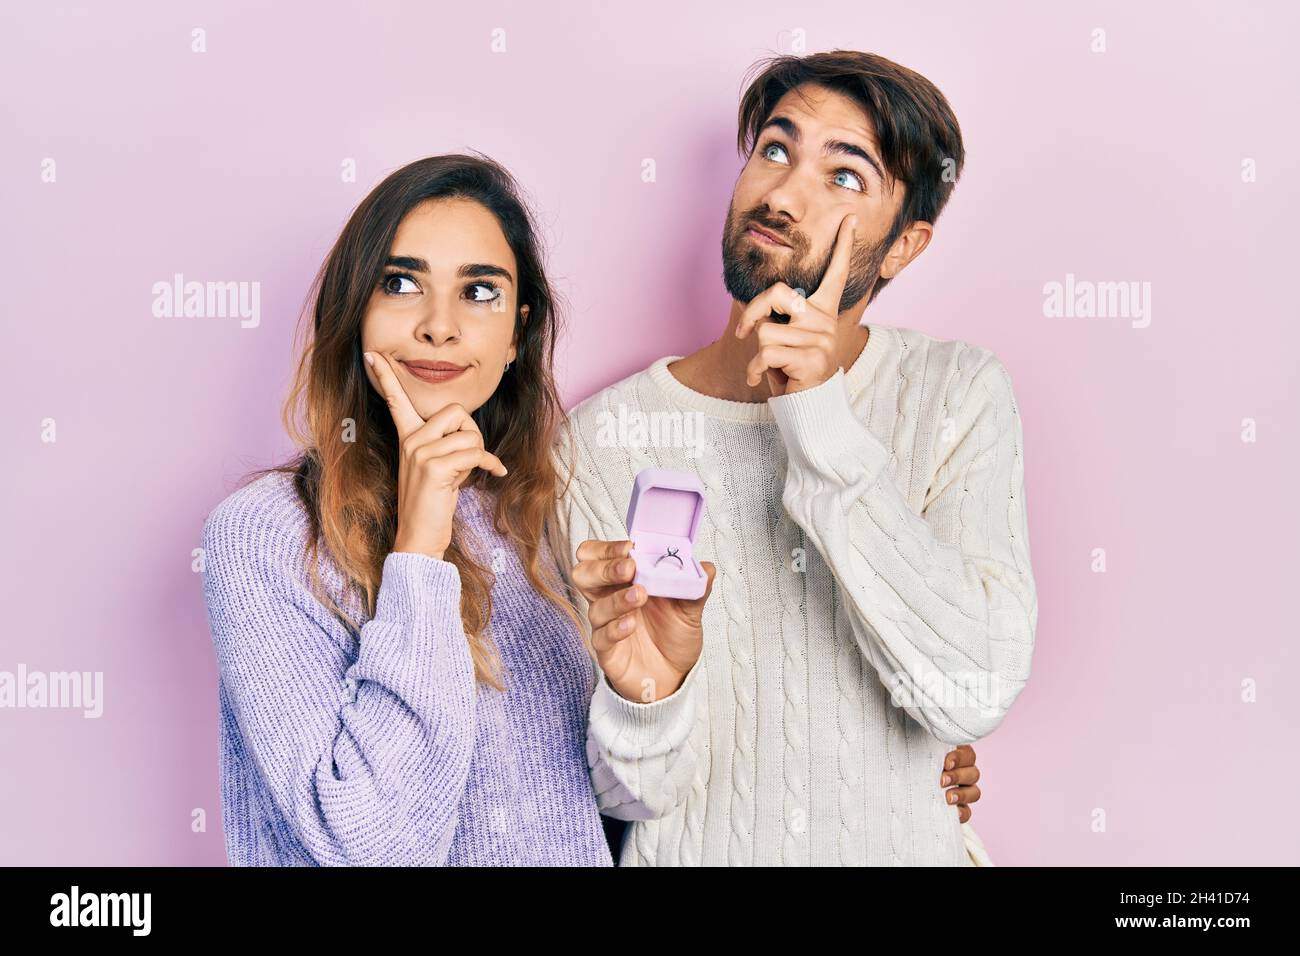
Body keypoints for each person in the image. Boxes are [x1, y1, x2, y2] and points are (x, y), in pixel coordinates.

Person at [553, 50, 1032, 866]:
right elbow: (619, 797)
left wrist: (818, 419)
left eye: (845, 176)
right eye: (775, 150)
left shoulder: (956, 395)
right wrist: (649, 697)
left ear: (902, 246)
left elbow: (974, 689)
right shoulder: (601, 439)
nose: (782, 193)